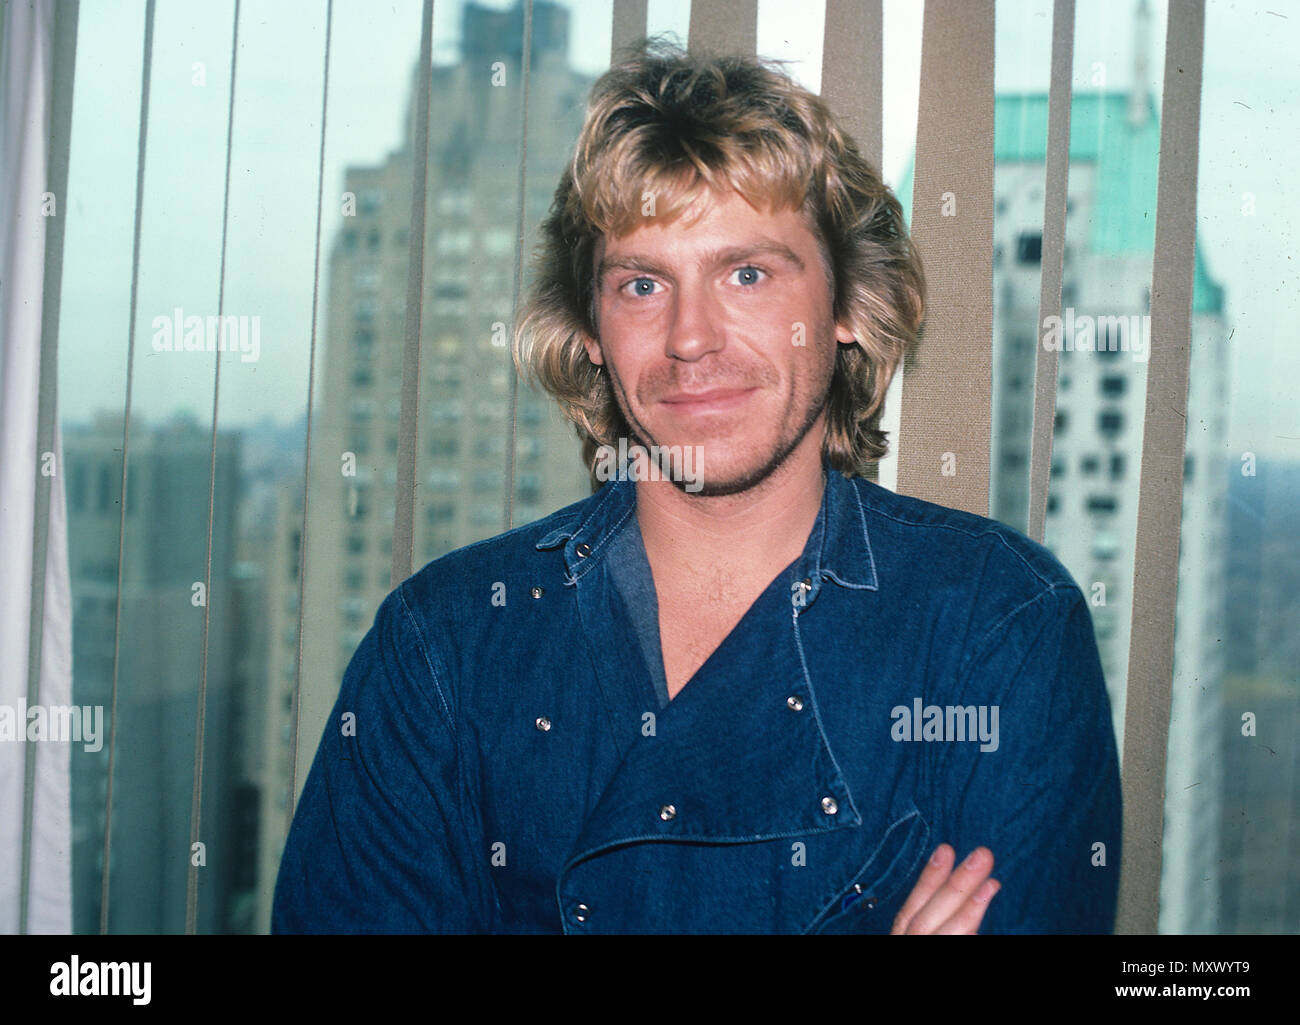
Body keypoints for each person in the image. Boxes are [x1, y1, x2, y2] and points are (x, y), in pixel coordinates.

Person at [272, 40, 1121, 934]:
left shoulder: (998, 629)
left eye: (746, 273)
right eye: (642, 284)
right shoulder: (442, 649)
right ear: (591, 331)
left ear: (843, 308)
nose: (689, 337)